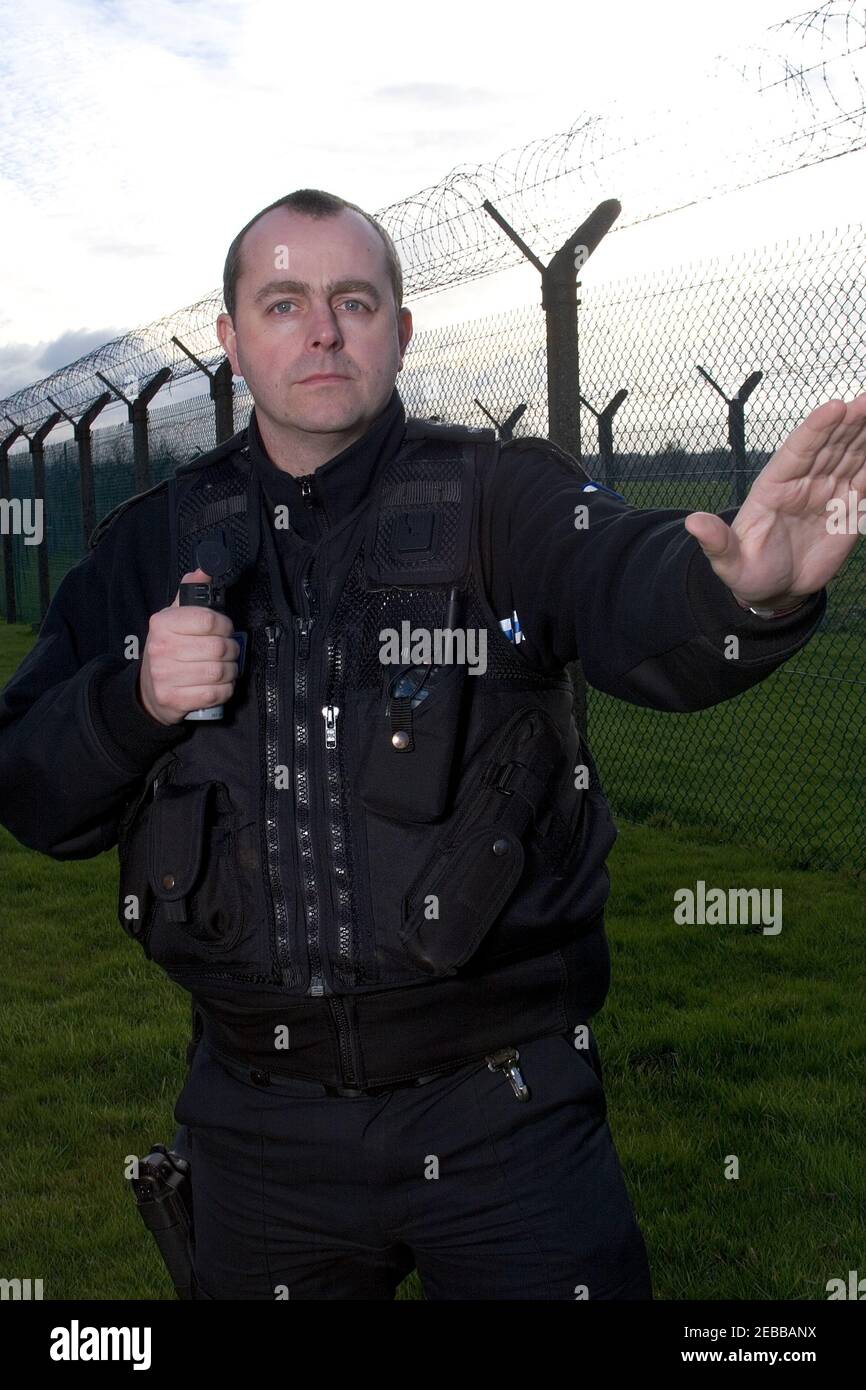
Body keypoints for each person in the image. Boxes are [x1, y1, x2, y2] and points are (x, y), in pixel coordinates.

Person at [1, 187, 862, 1301]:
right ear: (228, 339)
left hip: (506, 1116)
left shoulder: (500, 496)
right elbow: (31, 790)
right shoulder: (147, 546)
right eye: (282, 302)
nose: (321, 330)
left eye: (353, 300)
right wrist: (133, 701)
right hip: (257, 1125)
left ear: (399, 330)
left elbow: (616, 581)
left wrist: (729, 594)